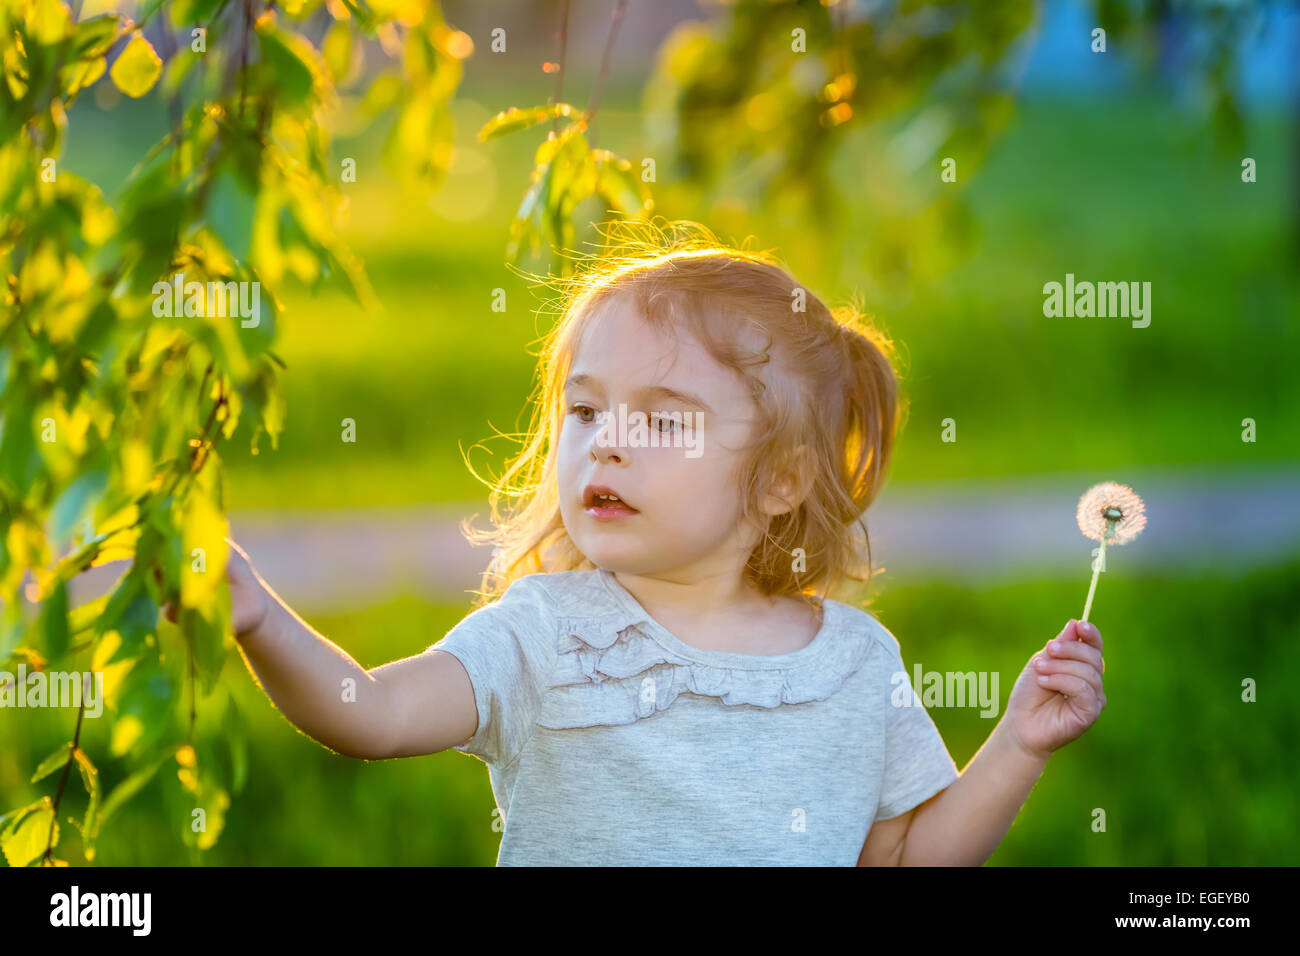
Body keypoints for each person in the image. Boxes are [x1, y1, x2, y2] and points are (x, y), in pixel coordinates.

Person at [220, 220, 1107, 865]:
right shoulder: (543, 635)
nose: (607, 439)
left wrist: (1019, 743)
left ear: (779, 481)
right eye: (586, 409)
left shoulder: (851, 665)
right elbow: (369, 714)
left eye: (663, 420)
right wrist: (258, 617)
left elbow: (908, 861)